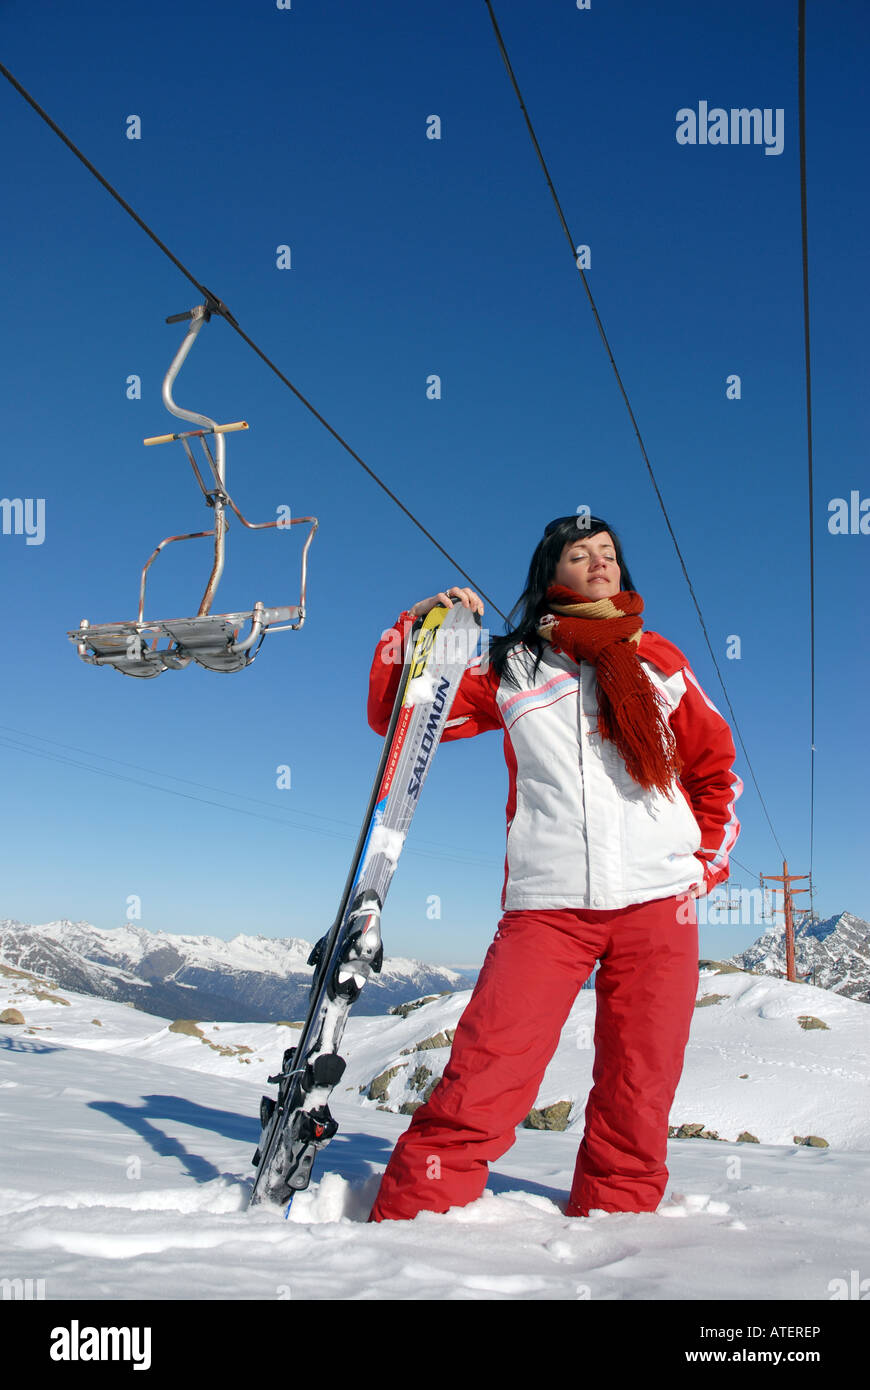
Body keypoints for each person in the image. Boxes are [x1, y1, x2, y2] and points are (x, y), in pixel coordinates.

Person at [365, 515, 742, 1222]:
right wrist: (418, 631)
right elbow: (404, 714)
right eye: (580, 553)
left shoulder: (661, 664)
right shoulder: (512, 666)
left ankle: (616, 1229)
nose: (599, 562)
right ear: (551, 576)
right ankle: (409, 1227)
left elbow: (716, 772)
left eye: (609, 553)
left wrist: (701, 871)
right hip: (549, 905)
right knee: (485, 1074)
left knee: (640, 1086)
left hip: (663, 904)